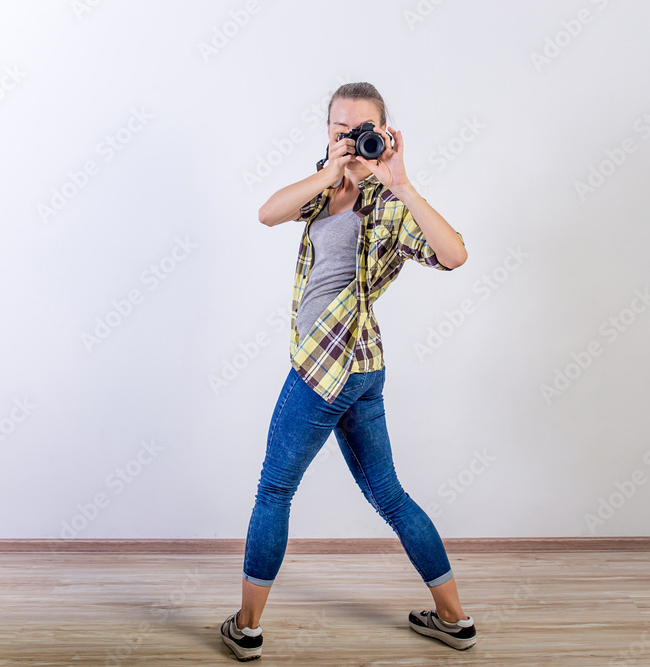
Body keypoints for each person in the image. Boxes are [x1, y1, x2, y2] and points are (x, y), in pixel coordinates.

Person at [220, 82, 475, 661]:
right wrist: (332, 169)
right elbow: (267, 214)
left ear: (384, 134)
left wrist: (401, 182)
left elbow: (455, 253)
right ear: (330, 132)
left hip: (324, 367)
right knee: (389, 495)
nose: (350, 139)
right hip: (362, 367)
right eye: (339, 129)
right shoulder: (324, 185)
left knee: (274, 491)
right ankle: (454, 620)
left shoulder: (389, 203)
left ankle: (248, 628)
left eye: (362, 131)